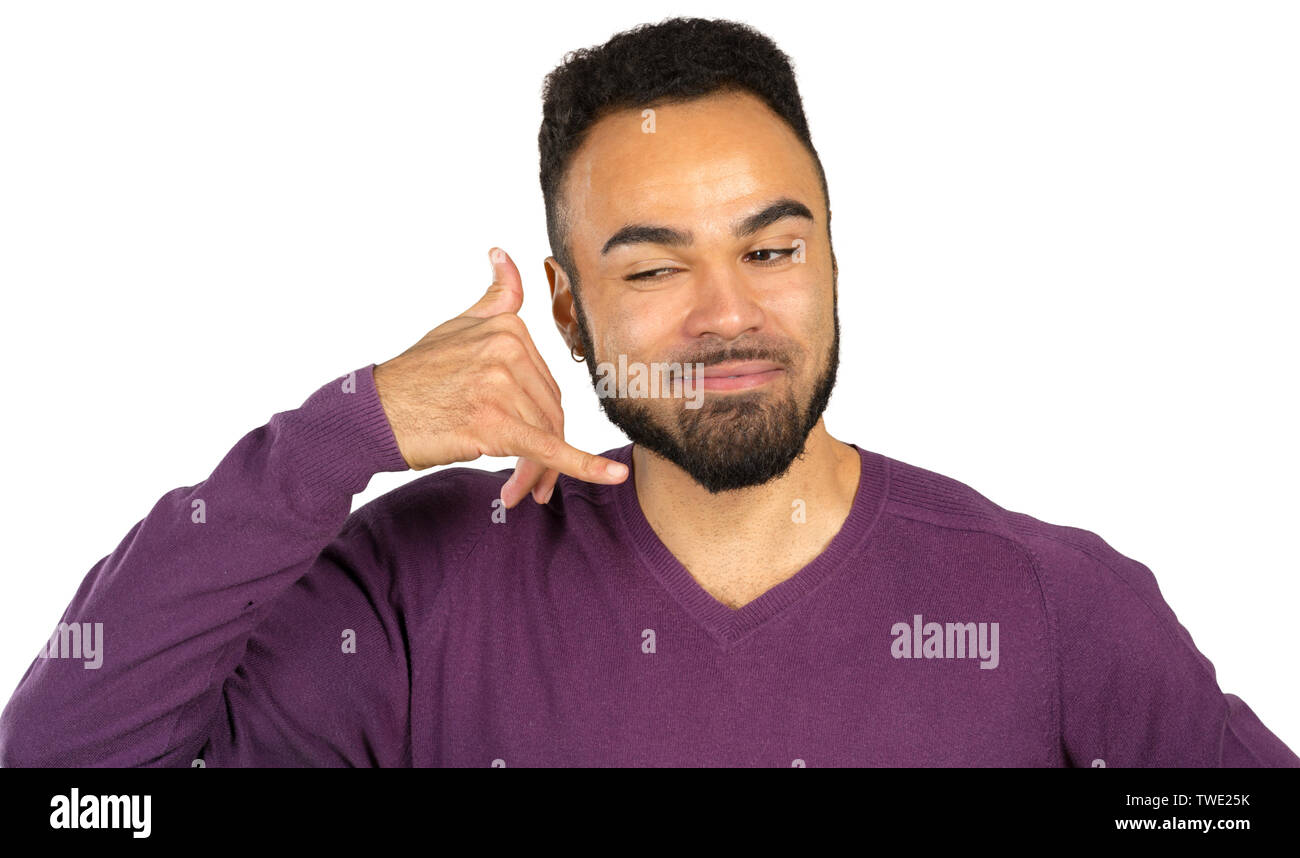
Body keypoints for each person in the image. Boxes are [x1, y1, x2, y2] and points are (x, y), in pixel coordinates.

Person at [1, 16, 1294, 767]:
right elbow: (65, 776)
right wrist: (348, 428)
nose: (728, 313)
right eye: (655, 263)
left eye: (771, 249)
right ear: (567, 307)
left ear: (834, 259)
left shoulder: (1052, 606)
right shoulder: (411, 595)